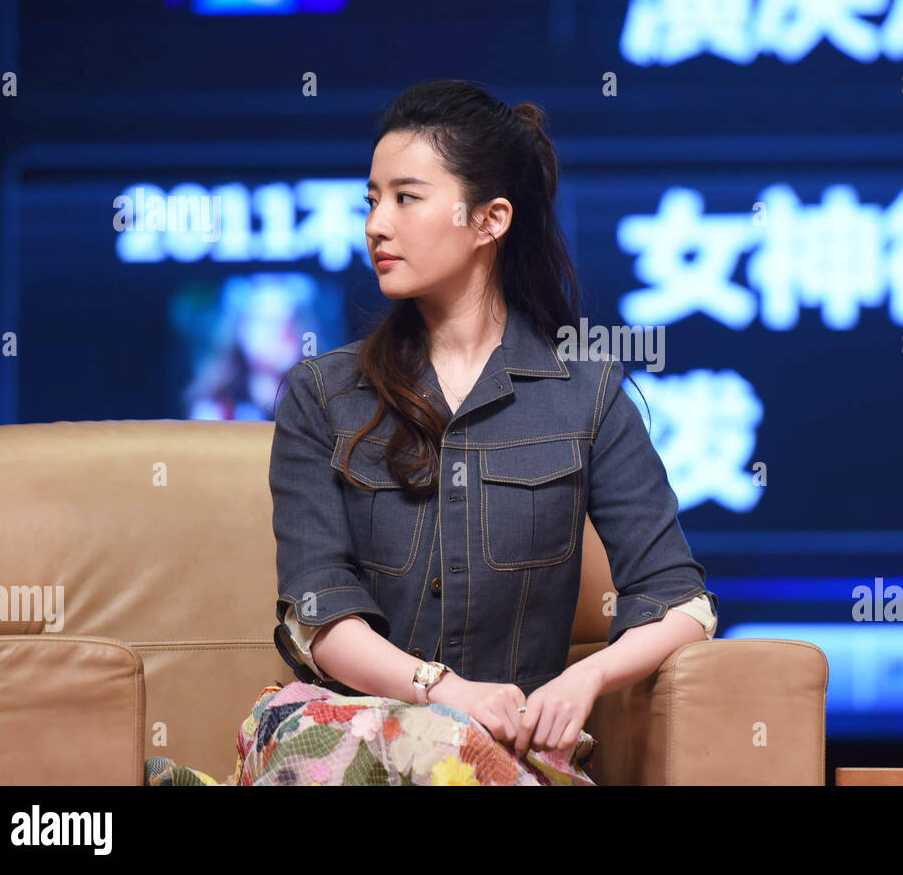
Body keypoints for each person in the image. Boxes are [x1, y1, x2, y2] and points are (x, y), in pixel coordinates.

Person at [241, 79, 718, 786]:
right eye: (371, 200)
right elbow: (319, 619)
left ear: (491, 220)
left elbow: (682, 604)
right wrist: (447, 694)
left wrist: (581, 681)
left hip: (504, 756)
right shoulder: (322, 395)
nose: (377, 224)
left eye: (406, 197)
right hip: (352, 749)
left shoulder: (586, 395)